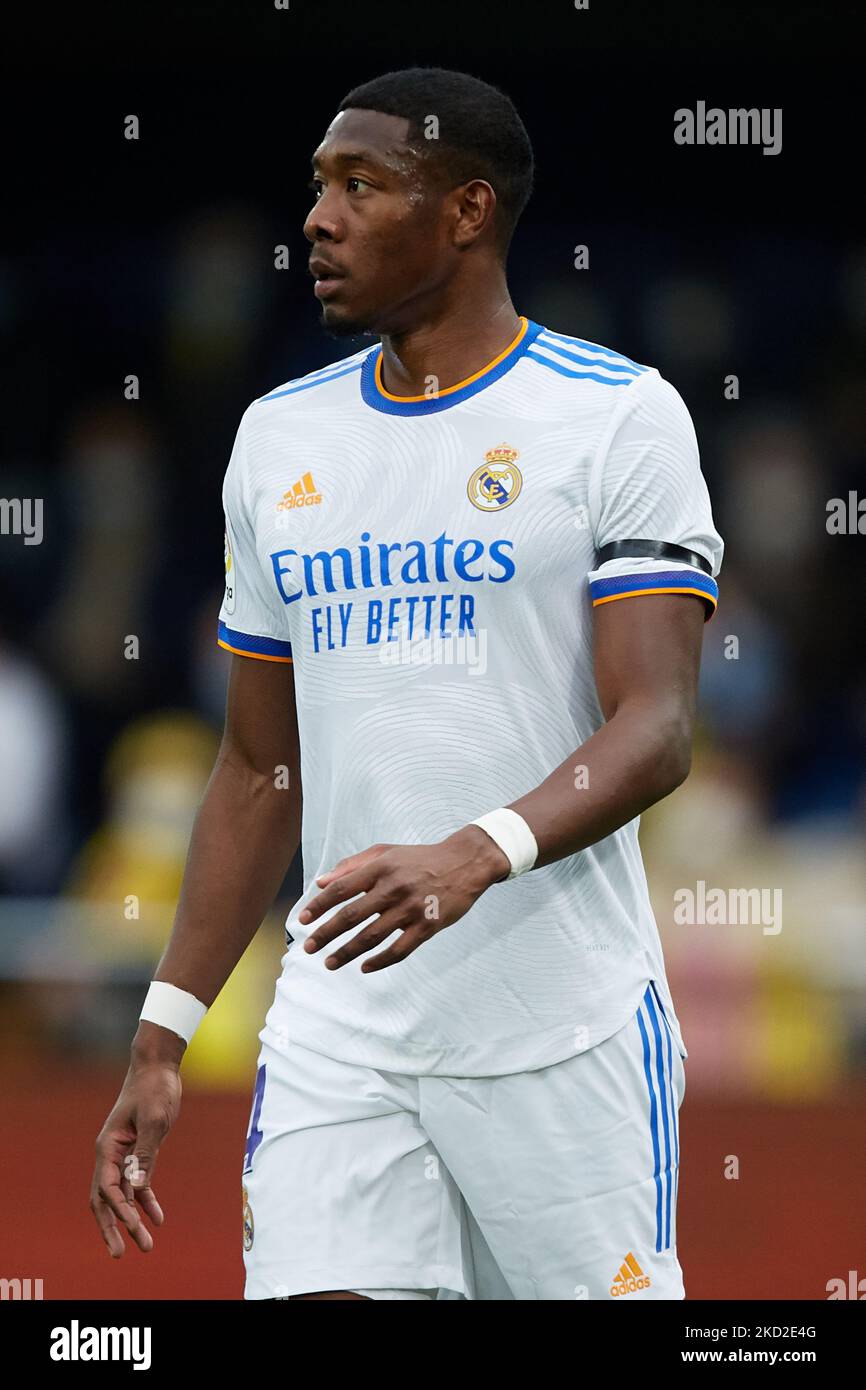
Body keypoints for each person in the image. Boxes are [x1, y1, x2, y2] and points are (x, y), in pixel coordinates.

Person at [91, 66, 723, 1301]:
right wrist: (165, 1030)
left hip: (562, 1030)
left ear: (467, 210)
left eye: (360, 186)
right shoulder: (278, 439)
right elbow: (258, 765)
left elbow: (657, 724)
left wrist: (474, 851)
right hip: (342, 1026)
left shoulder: (616, 419)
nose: (317, 220)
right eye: (316, 188)